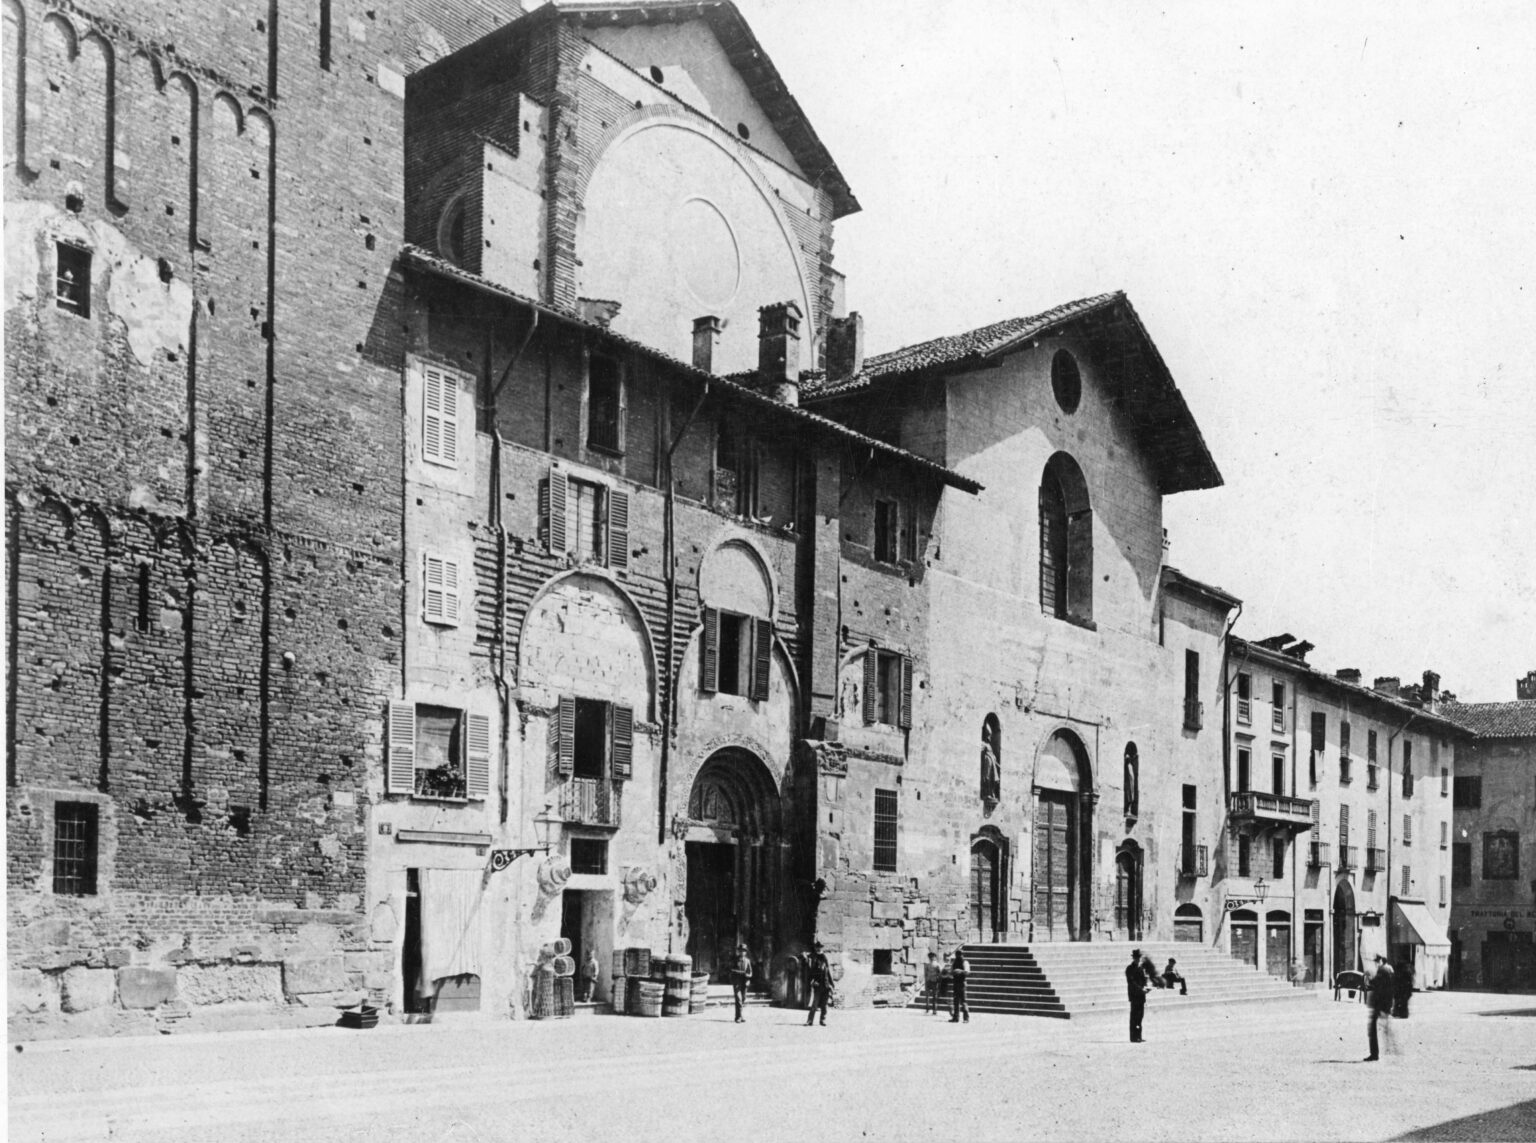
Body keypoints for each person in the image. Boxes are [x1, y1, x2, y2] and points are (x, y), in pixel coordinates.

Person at [1365, 955, 1396, 1061]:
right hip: (1385, 1003)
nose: (1376, 963)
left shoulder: (1383, 970)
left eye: (1378, 961)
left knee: (1373, 1028)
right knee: (1383, 1027)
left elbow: (1375, 983)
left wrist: (1369, 977)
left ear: (1382, 961)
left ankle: (1374, 1054)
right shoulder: (1390, 969)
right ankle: (1386, 1049)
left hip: (1380, 1003)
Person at [805, 941, 832, 1027]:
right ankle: (809, 1021)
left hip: (826, 985)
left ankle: (822, 1020)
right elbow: (810, 971)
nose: (818, 949)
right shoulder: (813, 958)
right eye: (817, 947)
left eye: (820, 947)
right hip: (818, 985)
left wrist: (831, 984)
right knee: (814, 1004)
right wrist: (812, 981)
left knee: (824, 1005)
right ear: (815, 948)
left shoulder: (824, 958)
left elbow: (828, 972)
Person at [1126, 948, 1151, 1042]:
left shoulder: (1140, 969)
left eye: (1139, 958)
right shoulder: (1129, 969)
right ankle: (1133, 1037)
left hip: (1141, 996)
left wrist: (1146, 987)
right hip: (1135, 995)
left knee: (1140, 1016)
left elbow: (1144, 980)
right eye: (1136, 958)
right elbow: (1131, 982)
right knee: (1134, 1017)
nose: (1138, 960)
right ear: (1133, 958)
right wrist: (1141, 989)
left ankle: (1139, 1036)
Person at [729, 942, 753, 1023]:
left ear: (746, 952)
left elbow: (750, 973)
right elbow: (731, 970)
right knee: (738, 999)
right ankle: (738, 1017)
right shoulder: (735, 960)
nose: (742, 952)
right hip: (737, 982)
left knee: (743, 999)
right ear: (738, 951)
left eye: (744, 951)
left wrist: (747, 975)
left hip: (744, 983)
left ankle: (740, 1015)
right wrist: (739, 973)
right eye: (741, 951)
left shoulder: (747, 961)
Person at [949, 948, 970, 1023]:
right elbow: (951, 972)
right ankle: (956, 1017)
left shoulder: (965, 962)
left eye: (960, 954)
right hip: (956, 982)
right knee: (956, 1001)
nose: (958, 956)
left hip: (962, 983)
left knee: (963, 1001)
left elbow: (967, 972)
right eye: (957, 954)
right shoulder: (954, 962)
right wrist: (953, 972)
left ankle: (966, 1018)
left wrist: (960, 971)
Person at [924, 950, 944, 1015]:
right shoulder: (931, 964)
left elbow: (940, 972)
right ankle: (930, 1009)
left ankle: (932, 1009)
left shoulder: (934, 964)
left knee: (932, 996)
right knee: (931, 996)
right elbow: (926, 973)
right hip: (931, 980)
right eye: (931, 957)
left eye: (932, 957)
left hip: (932, 981)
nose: (931, 958)